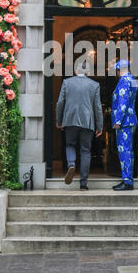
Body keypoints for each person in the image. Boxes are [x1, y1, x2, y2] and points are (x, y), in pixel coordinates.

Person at [56, 62, 103, 191]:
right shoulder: (94, 85)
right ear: (87, 72)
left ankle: (71, 164)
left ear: (76, 70)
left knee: (70, 145)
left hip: (70, 120)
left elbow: (60, 103)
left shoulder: (67, 83)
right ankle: (83, 183)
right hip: (87, 122)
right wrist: (100, 125)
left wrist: (59, 120)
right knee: (85, 151)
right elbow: (98, 107)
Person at [111, 60, 138, 191]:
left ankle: (127, 181)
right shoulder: (132, 79)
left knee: (124, 151)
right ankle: (128, 179)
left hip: (125, 122)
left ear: (119, 70)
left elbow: (123, 101)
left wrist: (117, 121)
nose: (116, 74)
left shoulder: (123, 80)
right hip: (131, 120)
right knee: (129, 151)